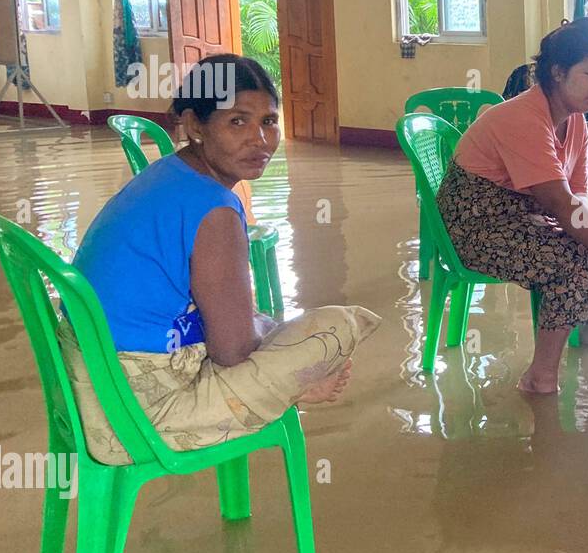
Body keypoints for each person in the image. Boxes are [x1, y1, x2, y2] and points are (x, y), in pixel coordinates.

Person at [60, 54, 380, 465]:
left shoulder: (169, 174)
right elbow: (232, 353)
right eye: (237, 121)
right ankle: (296, 389)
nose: (260, 139)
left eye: (268, 121)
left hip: (87, 381)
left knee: (266, 320)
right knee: (335, 327)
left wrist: (267, 332)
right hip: (135, 413)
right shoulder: (215, 210)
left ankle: (290, 379)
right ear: (195, 126)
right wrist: (292, 378)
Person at [436, 17, 588, 394]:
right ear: (557, 72)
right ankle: (541, 376)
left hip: (526, 214)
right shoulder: (522, 117)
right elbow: (560, 202)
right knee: (570, 259)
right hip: (475, 227)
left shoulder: (576, 122)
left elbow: (577, 196)